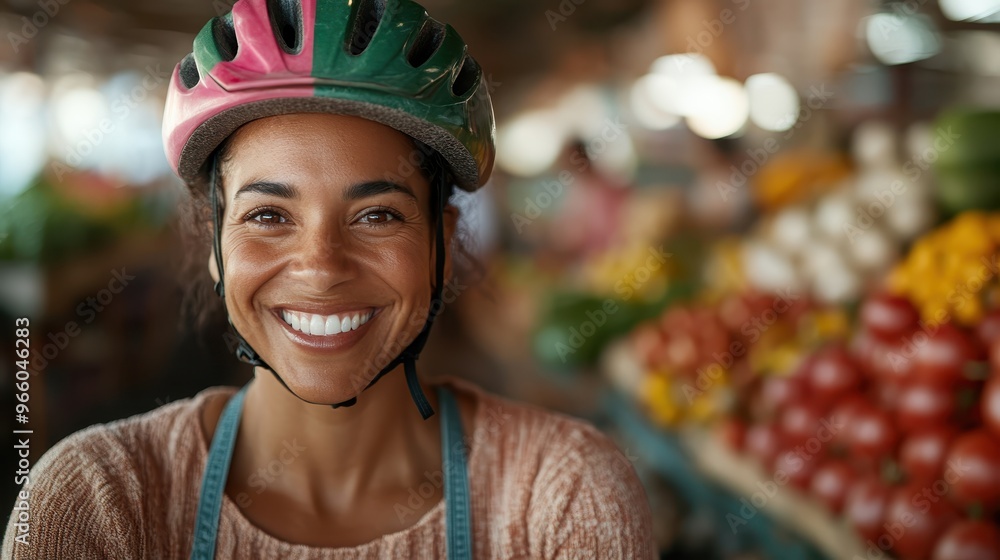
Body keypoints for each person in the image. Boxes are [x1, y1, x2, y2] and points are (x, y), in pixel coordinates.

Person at [2, 0, 654, 557]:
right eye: (267, 215)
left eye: (376, 215)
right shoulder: (100, 502)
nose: (320, 266)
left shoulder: (562, 495)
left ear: (444, 245)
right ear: (214, 249)